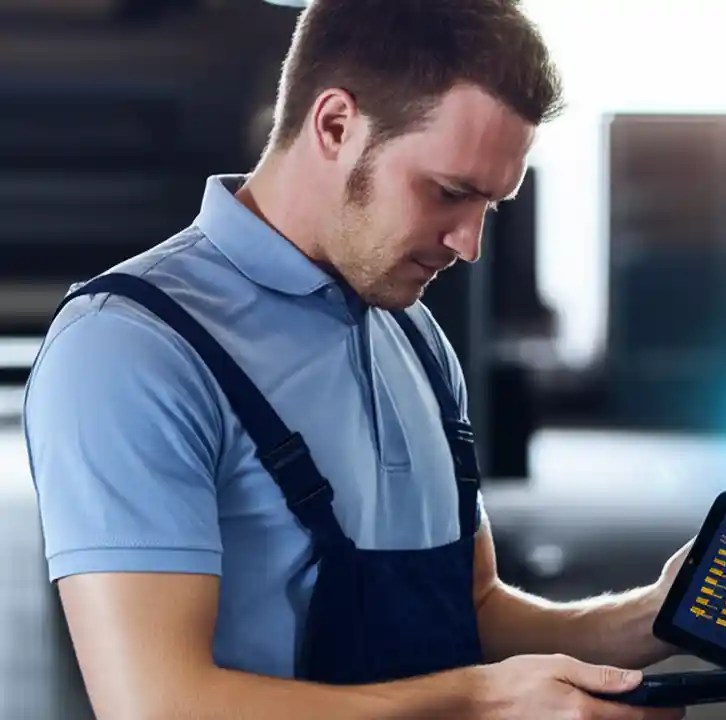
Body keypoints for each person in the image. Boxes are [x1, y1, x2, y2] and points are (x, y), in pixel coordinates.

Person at [23, 1, 689, 717]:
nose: (469, 245)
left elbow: (475, 611)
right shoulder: (130, 349)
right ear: (335, 125)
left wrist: (653, 617)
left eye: (490, 207)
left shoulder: (415, 338)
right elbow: (159, 704)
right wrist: (480, 703)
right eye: (449, 193)